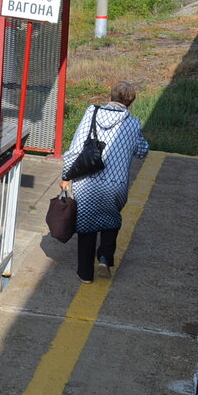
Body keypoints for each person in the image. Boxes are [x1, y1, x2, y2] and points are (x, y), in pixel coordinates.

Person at [61, 81, 149, 283]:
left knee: (86, 223)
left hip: (87, 182)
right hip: (116, 184)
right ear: (130, 103)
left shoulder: (91, 113)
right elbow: (143, 151)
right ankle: (104, 258)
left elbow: (75, 149)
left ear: (110, 97)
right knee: (111, 219)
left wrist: (66, 176)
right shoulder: (133, 124)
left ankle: (85, 274)